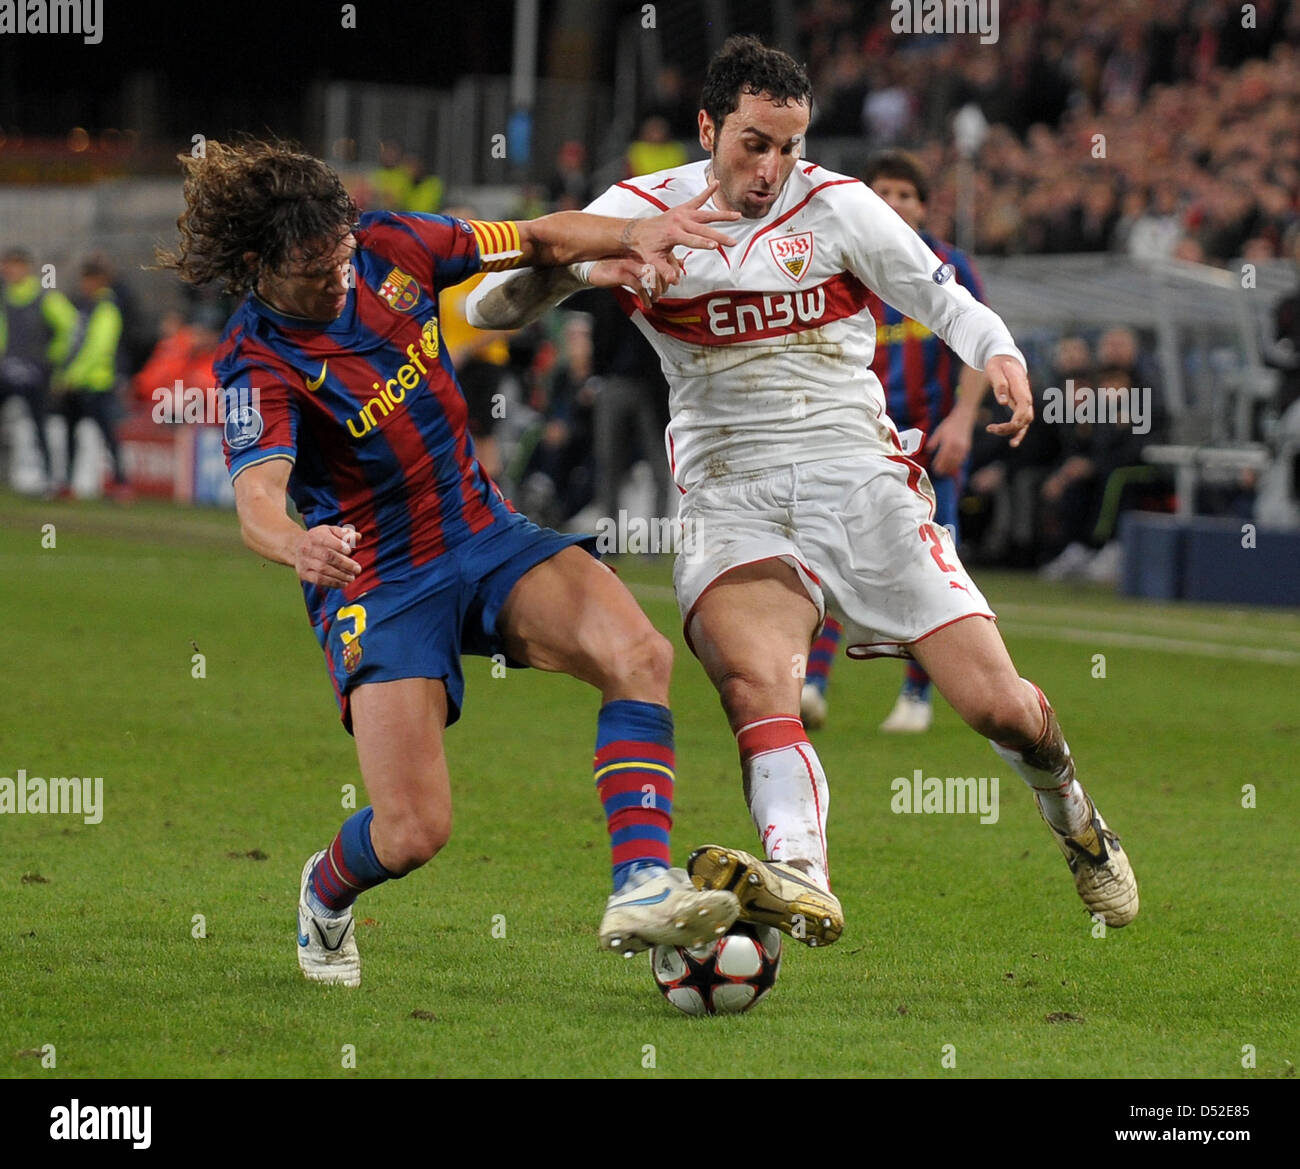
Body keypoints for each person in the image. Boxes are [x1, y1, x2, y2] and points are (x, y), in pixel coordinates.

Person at [469, 35, 1139, 948]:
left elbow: (942, 297)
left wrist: (1003, 356)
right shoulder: (637, 210)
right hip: (729, 490)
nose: (772, 166)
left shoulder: (838, 208)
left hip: (860, 480)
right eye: (753, 142)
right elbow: (486, 308)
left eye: (789, 145)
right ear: (707, 128)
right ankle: (802, 873)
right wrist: (587, 265)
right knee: (755, 684)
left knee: (1000, 709)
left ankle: (1075, 816)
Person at [157, 137, 743, 987]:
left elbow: (539, 240)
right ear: (258, 265)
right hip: (380, 585)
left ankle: (642, 882)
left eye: (342, 256)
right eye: (316, 271)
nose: (339, 278)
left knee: (641, 655)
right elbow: (257, 500)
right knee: (412, 833)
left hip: (484, 534)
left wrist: (636, 233)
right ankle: (324, 894)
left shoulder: (394, 245)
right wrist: (297, 543)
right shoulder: (258, 363)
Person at [800, 149, 992, 735]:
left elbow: (979, 344)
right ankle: (811, 685)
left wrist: (962, 420)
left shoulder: (948, 265)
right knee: (833, 559)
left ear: (923, 206)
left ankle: (918, 698)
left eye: (905, 194)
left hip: (933, 445)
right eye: (882, 191)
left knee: (934, 570)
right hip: (858, 441)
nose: (893, 203)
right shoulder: (840, 263)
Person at [0, 247, 77, 493]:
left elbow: (72, 327)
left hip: (37, 373)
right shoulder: (4, 298)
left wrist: (52, 360)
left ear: (25, 267)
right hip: (6, 370)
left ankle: (47, 479)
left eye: (12, 265)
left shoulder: (45, 298)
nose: (8, 270)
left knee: (39, 425)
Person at [56, 255, 130, 499]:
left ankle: (121, 484)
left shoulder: (106, 308)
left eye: (87, 280)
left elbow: (99, 348)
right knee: (72, 435)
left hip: (98, 383)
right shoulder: (85, 306)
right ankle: (68, 483)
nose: (84, 285)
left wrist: (73, 375)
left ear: (98, 280)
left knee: (108, 435)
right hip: (79, 382)